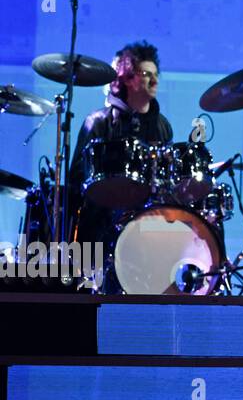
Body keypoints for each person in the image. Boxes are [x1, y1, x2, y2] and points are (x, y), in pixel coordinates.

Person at [69, 41, 173, 256]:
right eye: (146, 73)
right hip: (101, 225)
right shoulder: (98, 122)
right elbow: (76, 177)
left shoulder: (163, 126)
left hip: (147, 225)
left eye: (156, 74)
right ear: (126, 78)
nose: (154, 80)